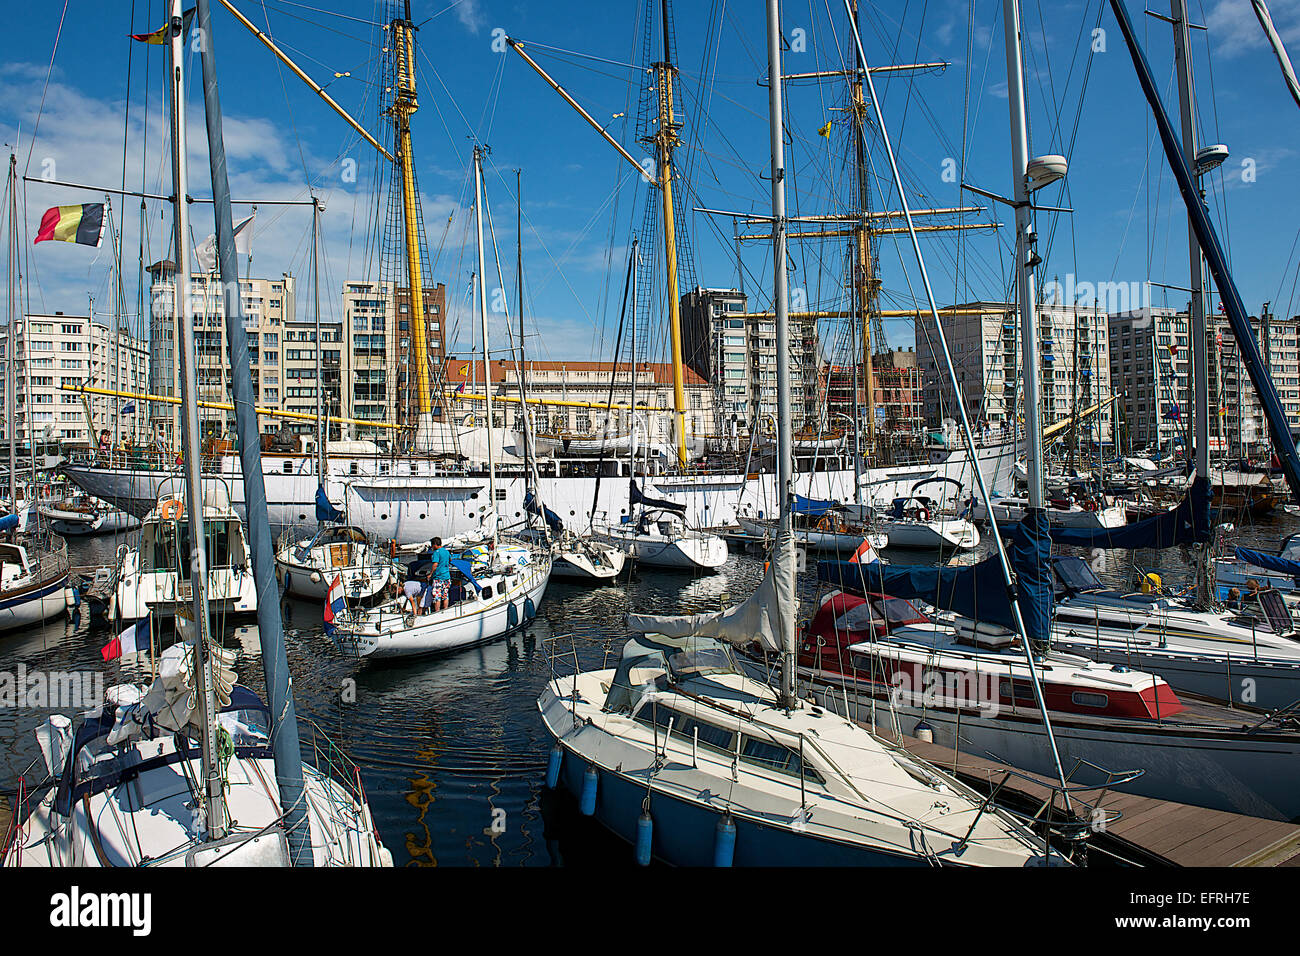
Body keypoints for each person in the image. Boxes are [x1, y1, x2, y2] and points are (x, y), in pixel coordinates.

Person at [430, 536, 452, 612]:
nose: (432, 547)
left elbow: (435, 565)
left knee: (437, 596)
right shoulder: (446, 552)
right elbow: (450, 560)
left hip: (438, 577)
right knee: (445, 595)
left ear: (435, 545)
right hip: (447, 577)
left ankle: (437, 611)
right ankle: (445, 610)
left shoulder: (436, 553)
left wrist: (430, 574)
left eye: (432, 545)